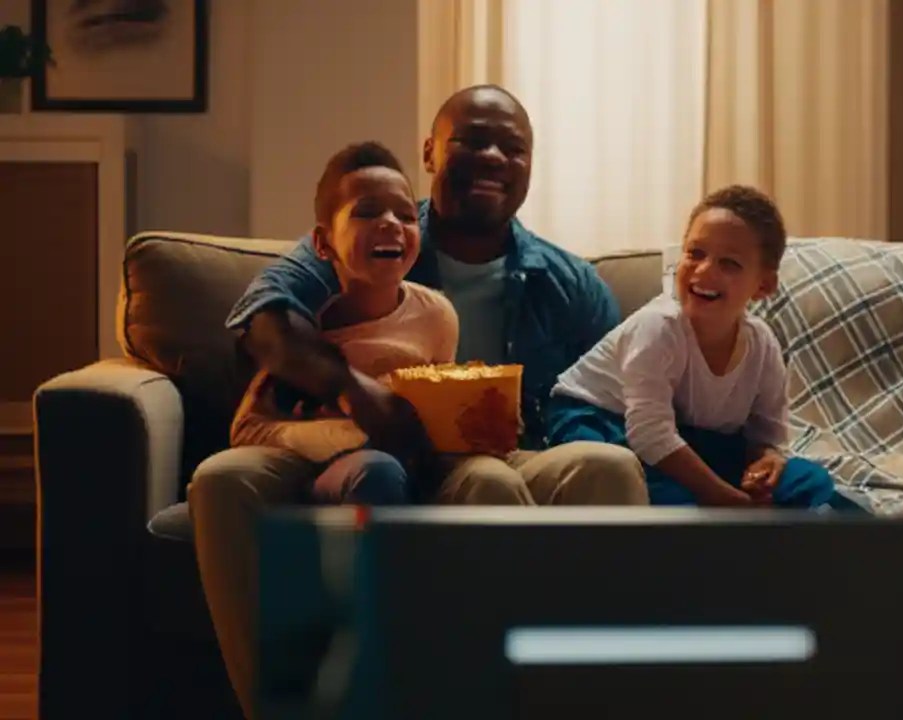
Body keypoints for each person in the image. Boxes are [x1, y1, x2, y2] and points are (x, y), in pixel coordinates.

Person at [188, 85, 647, 718]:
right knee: (221, 478)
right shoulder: (376, 230)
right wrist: (358, 394)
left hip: (492, 456)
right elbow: (264, 320)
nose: (492, 156)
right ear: (429, 151)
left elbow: (614, 398)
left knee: (606, 466)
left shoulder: (569, 284)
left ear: (531, 168)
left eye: (512, 147)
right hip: (349, 447)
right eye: (471, 140)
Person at [545, 185, 856, 510]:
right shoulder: (659, 326)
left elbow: (767, 437)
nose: (704, 270)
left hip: (690, 439)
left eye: (730, 264)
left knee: (811, 480)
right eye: (695, 253)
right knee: (656, 492)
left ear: (763, 285)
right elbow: (650, 433)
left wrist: (767, 464)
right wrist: (722, 496)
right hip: (601, 423)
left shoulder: (762, 344)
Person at [229, 140, 458, 505]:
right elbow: (250, 426)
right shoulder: (308, 320)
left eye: (406, 215)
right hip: (334, 467)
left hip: (407, 468)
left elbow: (441, 405)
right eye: (366, 212)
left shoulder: (437, 314)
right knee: (378, 468)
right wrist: (353, 422)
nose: (390, 223)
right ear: (322, 243)